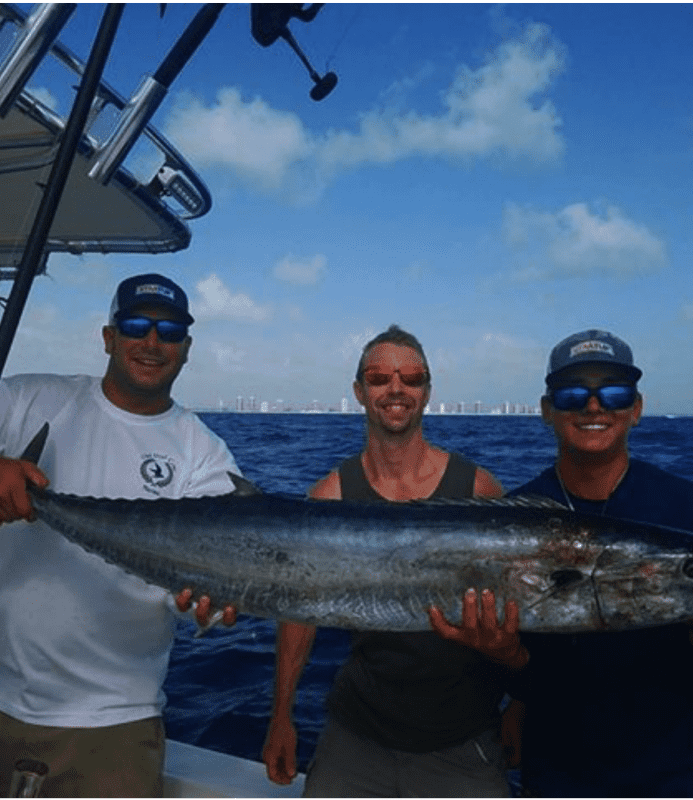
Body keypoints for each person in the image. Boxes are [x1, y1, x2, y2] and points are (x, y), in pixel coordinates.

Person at [435, 328, 693, 797]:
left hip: (677, 778)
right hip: (556, 779)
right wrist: (506, 657)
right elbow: (535, 683)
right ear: (547, 410)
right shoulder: (508, 522)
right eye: (572, 394)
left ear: (636, 408)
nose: (593, 406)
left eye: (614, 392)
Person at [0, 273, 238, 797]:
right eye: (135, 326)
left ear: (186, 348)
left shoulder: (205, 454)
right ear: (109, 337)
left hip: (114, 728)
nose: (152, 342)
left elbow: (203, 599)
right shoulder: (28, 399)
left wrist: (208, 605)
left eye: (169, 332)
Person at [262, 324, 523, 797]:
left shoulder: (478, 488)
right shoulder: (330, 495)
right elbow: (299, 613)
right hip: (357, 730)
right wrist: (282, 714)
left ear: (427, 391)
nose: (396, 389)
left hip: (463, 737)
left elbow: (515, 611)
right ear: (359, 392)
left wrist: (520, 705)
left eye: (412, 378)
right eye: (380, 378)